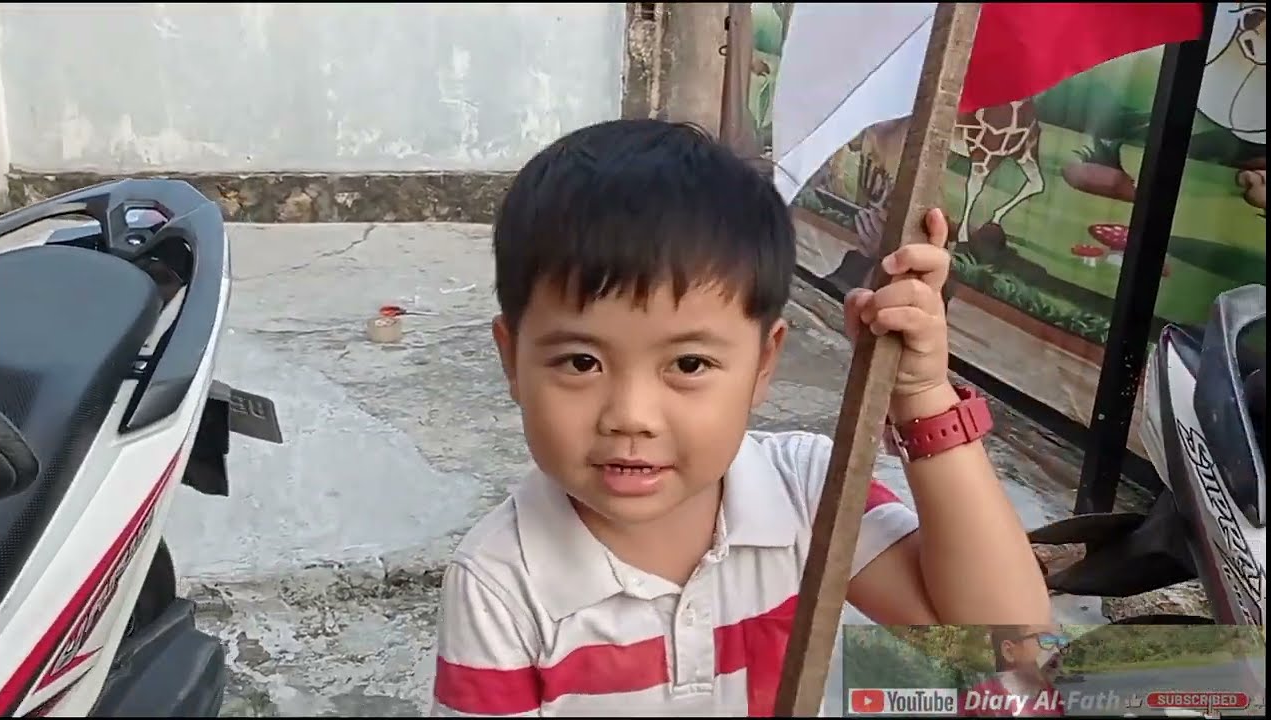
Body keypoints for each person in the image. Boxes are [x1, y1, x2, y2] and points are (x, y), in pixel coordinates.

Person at [430, 118, 1052, 717]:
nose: (631, 417)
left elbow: (1003, 643)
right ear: (513, 361)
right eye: (581, 361)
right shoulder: (499, 584)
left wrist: (922, 395)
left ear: (763, 363)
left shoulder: (808, 494)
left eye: (691, 364)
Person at [960, 625, 1070, 717]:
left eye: (1061, 643)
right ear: (1009, 651)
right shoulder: (975, 700)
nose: (1057, 651)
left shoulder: (1053, 696)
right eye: (1046, 640)